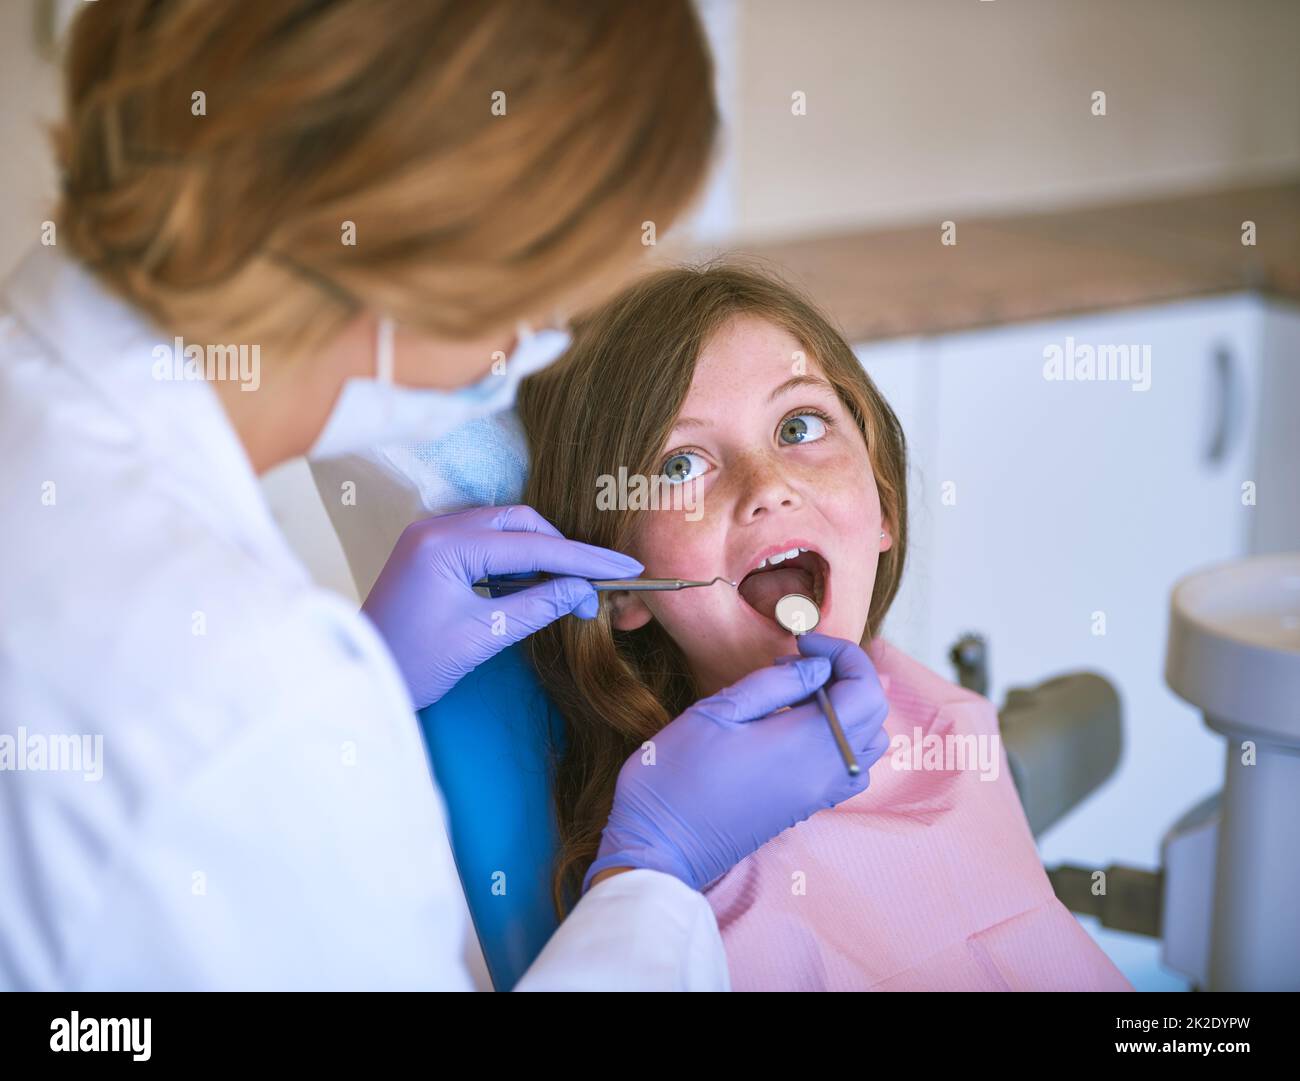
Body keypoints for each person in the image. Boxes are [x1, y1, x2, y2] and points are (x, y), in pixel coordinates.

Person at [0, 1, 882, 991]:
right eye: (551, 271)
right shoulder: (239, 701)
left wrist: (366, 680)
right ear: (415, 245)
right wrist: (653, 874)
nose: (542, 335)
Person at [515, 264, 1134, 990]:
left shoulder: (950, 718)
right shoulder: (674, 902)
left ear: (883, 506)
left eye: (798, 426)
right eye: (681, 462)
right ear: (623, 588)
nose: (767, 484)